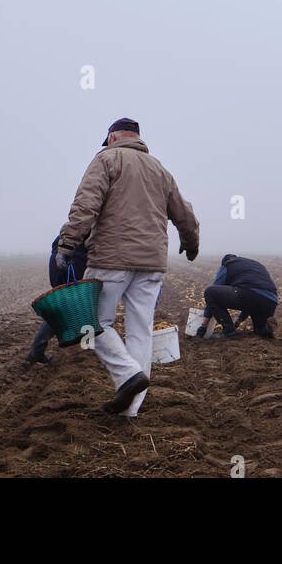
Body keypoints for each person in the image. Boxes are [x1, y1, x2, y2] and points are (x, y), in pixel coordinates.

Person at [55, 118, 200, 415]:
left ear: (112, 137)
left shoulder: (107, 159)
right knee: (140, 330)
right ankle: (130, 409)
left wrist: (68, 243)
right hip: (151, 264)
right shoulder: (160, 169)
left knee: (92, 322)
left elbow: (86, 205)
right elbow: (183, 212)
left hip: (111, 259)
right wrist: (191, 241)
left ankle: (127, 376)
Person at [27, 236, 89, 364]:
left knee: (63, 304)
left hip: (59, 256)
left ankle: (37, 349)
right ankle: (87, 346)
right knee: (86, 302)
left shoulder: (74, 224)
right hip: (74, 258)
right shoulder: (91, 220)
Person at [200, 254, 278, 338]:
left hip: (251, 296)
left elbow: (213, 293)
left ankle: (229, 330)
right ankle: (265, 329)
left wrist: (203, 326)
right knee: (261, 332)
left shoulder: (228, 265)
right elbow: (251, 298)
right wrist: (237, 322)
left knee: (210, 292)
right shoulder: (255, 265)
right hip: (271, 301)